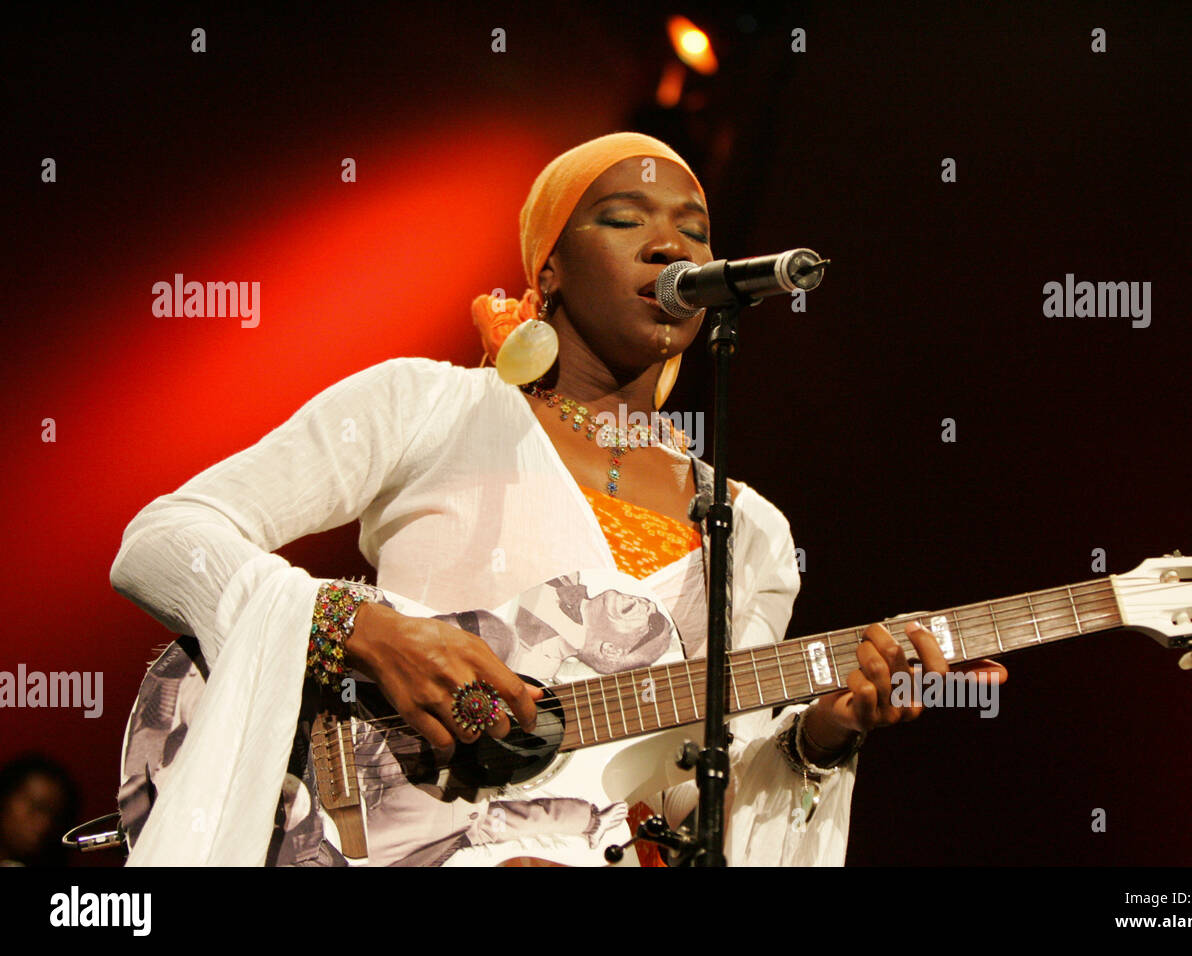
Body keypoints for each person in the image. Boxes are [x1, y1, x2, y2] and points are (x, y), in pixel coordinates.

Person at [110, 131, 1004, 866]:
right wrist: (363, 627)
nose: (673, 247)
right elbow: (164, 537)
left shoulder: (752, 532)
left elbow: (692, 799)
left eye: (695, 232)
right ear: (549, 270)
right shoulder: (429, 406)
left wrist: (820, 737)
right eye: (624, 220)